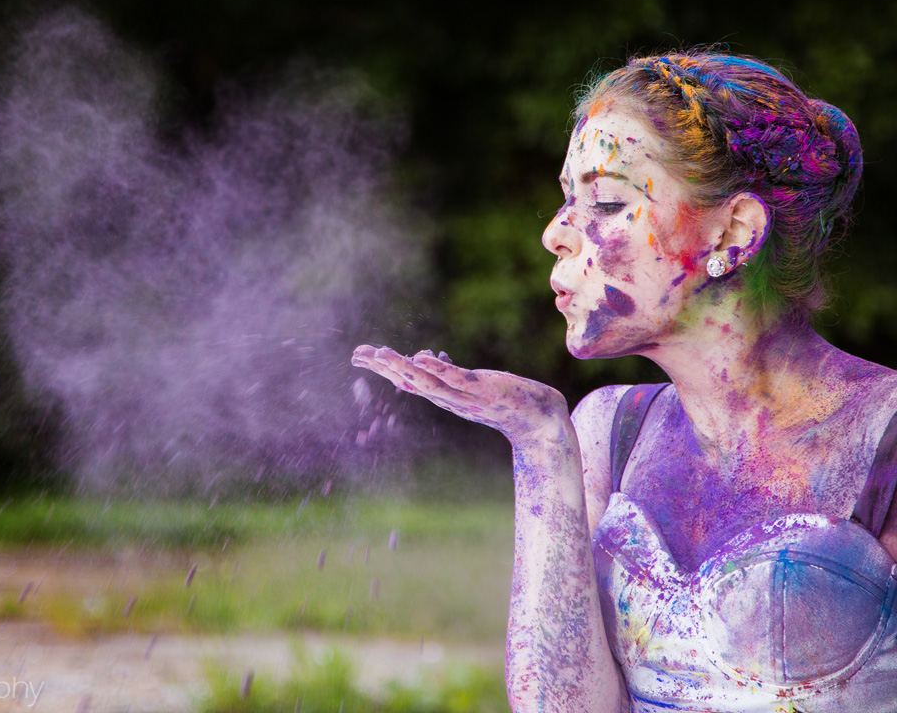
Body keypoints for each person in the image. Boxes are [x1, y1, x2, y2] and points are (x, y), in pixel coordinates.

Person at [352, 50, 897, 713]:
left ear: (734, 231)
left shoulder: (883, 438)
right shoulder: (609, 432)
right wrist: (537, 438)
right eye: (565, 200)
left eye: (606, 202)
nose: (557, 232)